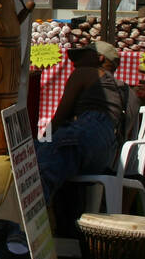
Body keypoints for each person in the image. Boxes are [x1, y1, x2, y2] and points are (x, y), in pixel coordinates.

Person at [35, 40, 126, 210]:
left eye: (83, 55)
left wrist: (42, 140)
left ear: (99, 59)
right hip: (106, 156)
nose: (75, 62)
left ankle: (27, 223)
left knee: (36, 164)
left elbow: (60, 117)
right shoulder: (127, 91)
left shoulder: (86, 73)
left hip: (89, 132)